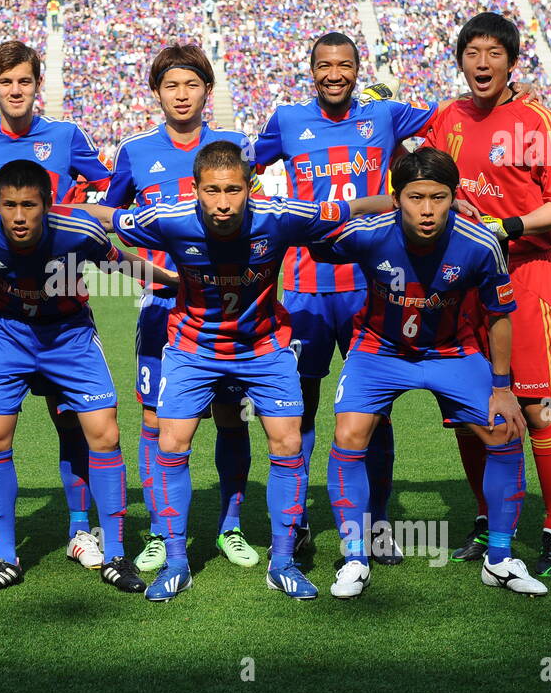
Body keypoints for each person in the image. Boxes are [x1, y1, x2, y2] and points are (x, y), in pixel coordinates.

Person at [87, 141, 391, 603]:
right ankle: (175, 562)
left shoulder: (280, 216)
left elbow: (345, 207)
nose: (224, 203)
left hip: (263, 348)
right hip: (193, 348)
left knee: (288, 443)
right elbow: (108, 216)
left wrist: (401, 199)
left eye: (233, 190)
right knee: (170, 443)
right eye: (212, 191)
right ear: (195, 189)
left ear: (250, 187)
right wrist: (51, 212)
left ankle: (283, 562)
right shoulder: (168, 219)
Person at [312, 146, 545, 598]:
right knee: (349, 435)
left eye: (438, 197)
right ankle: (355, 556)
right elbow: (316, 239)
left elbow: (500, 316)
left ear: (454, 197)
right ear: (397, 197)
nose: (426, 209)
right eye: (415, 197)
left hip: (452, 352)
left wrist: (501, 387)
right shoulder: (370, 233)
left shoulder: (481, 243)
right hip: (379, 350)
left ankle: (499, 558)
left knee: (504, 431)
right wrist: (368, 204)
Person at [252, 32, 438, 564]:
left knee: (375, 413)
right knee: (300, 412)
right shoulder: (287, 120)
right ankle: (299, 522)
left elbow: (445, 116)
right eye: (324, 66)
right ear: (310, 70)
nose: (334, 74)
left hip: (372, 289)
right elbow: (241, 166)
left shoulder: (382, 115)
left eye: (345, 66)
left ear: (358, 70)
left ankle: (376, 527)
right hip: (305, 292)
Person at [0, 159, 170, 595]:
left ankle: (116, 554)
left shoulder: (80, 232)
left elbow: (121, 264)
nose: (18, 216)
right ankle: (5, 556)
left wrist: (176, 282)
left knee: (103, 434)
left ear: (47, 204)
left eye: (28, 205)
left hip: (70, 336)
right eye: (9, 205)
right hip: (7, 335)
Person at [0, 40, 114, 574]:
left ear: (37, 85)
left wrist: (69, 215)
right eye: (5, 82)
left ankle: (79, 530)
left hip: (63, 305)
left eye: (24, 81)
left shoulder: (65, 137)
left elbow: (114, 190)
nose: (15, 91)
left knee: (71, 419)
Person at [423, 12, 551, 579]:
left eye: (493, 53)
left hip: (525, 279)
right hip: (462, 285)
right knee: (471, 413)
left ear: (512, 61)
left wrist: (504, 227)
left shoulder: (540, 121)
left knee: (538, 408)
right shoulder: (447, 117)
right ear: (460, 60)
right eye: (472, 53)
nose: (482, 63)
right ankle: (489, 521)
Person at [101, 44, 258, 573]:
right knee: (153, 418)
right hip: (162, 309)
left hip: (230, 309)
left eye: (191, 85)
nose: (182, 95)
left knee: (231, 417)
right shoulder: (135, 152)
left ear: (206, 91)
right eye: (171, 86)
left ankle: (230, 527)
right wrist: (130, 270)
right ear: (157, 93)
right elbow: (109, 219)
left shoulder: (235, 146)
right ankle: (160, 530)